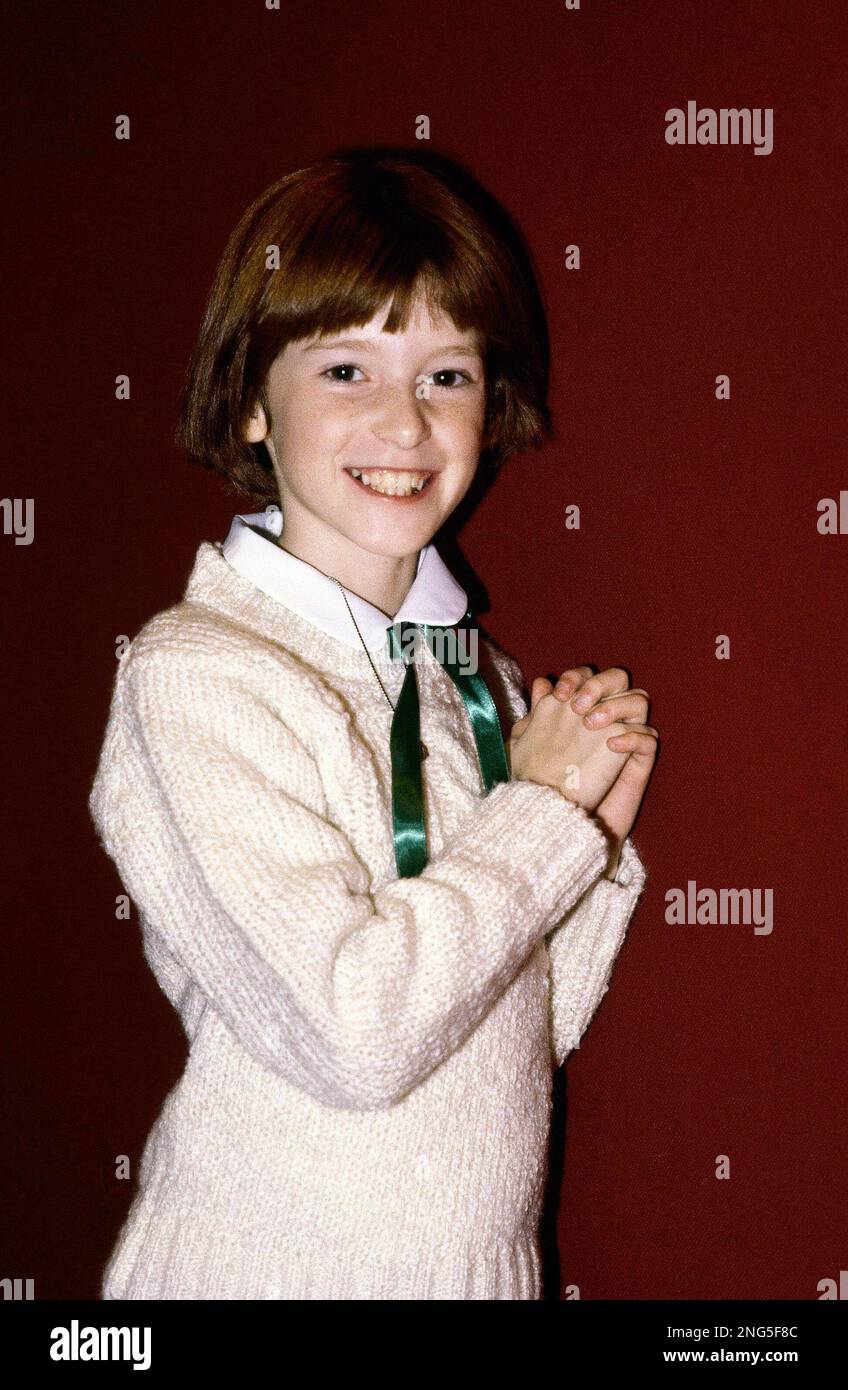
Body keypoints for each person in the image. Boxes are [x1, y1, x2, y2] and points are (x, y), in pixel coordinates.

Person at [89, 146, 658, 1300]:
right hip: (268, 1272)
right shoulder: (197, 674)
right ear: (251, 400)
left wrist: (587, 849)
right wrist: (542, 816)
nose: (404, 423)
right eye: (346, 369)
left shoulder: (476, 677)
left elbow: (510, 1038)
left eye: (446, 375)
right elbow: (359, 1039)